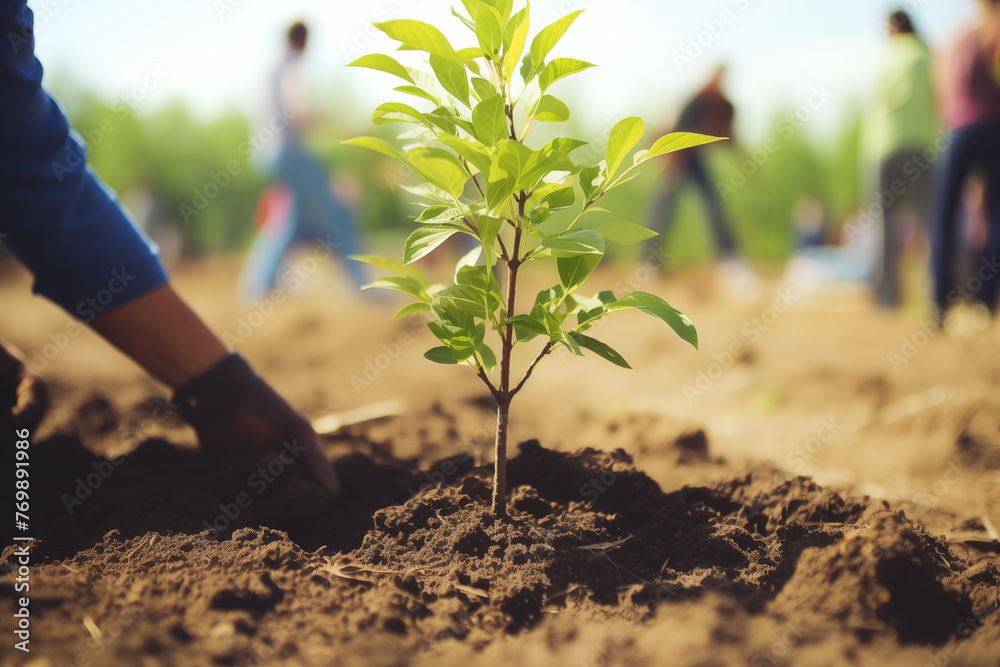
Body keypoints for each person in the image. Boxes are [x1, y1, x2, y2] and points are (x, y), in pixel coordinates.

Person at [0, 0, 342, 499]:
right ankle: (354, 281)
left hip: (275, 152)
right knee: (333, 219)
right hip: (288, 150)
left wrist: (225, 389)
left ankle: (265, 282)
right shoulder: (285, 68)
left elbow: (26, 161)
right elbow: (27, 161)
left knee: (289, 227)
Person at [237, 21, 366, 300]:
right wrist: (343, 126)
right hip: (289, 154)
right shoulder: (290, 67)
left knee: (288, 220)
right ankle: (364, 287)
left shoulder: (270, 67)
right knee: (337, 211)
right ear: (302, 41)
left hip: (267, 155)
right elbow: (299, 113)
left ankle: (256, 288)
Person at [865, 10, 940, 309]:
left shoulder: (888, 59)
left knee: (884, 222)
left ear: (893, 30)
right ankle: (937, 292)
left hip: (885, 147)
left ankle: (888, 295)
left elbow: (877, 102)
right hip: (922, 147)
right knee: (929, 220)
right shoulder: (928, 56)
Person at [931, 0, 1000, 322]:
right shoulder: (992, 34)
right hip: (993, 129)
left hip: (957, 129)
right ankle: (986, 303)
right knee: (996, 216)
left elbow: (941, 89)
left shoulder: (955, 37)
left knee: (944, 215)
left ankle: (939, 304)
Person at [646, 66, 738, 264]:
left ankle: (728, 256)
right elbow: (679, 134)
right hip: (677, 157)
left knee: (712, 202)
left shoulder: (721, 106)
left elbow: (727, 137)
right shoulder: (697, 101)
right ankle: (650, 260)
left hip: (694, 158)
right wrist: (671, 166)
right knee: (665, 206)